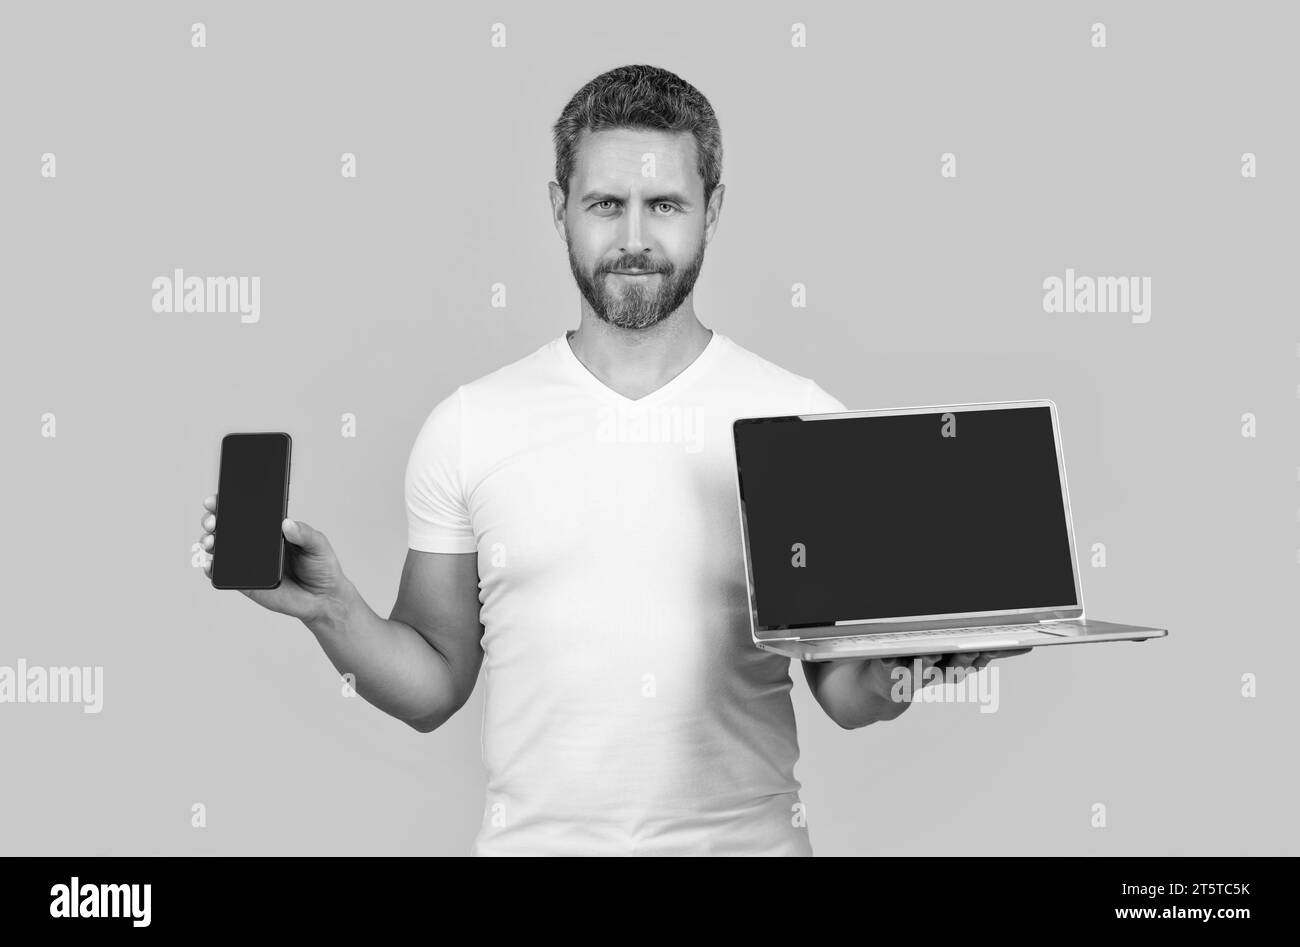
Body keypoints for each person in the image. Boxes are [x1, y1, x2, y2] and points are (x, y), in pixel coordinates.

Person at [198, 64, 1025, 856]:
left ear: (714, 207)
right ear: (559, 207)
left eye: (665, 203)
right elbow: (435, 685)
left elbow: (846, 695)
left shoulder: (798, 419)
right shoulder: (470, 425)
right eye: (605, 203)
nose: (634, 239)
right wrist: (330, 608)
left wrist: (913, 667)